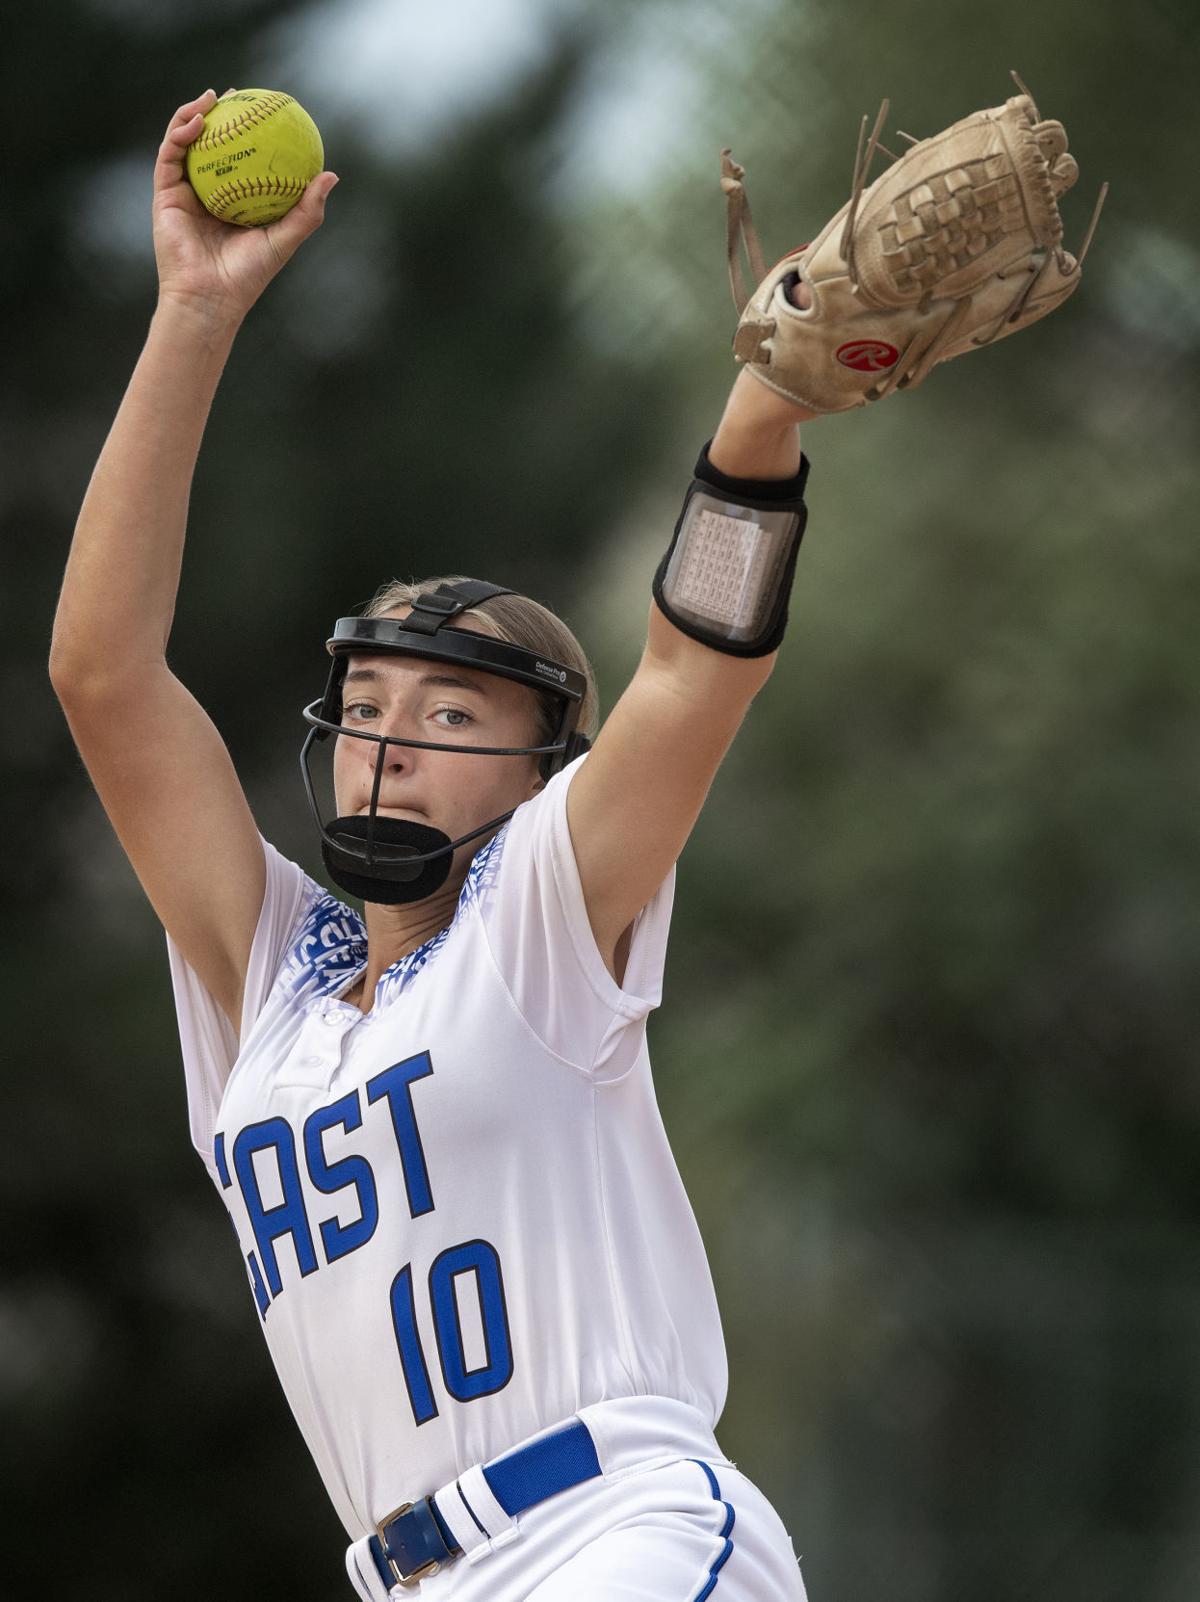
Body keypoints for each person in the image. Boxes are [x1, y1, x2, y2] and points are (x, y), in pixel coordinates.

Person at [52, 89, 818, 1601]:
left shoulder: (540, 912)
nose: (393, 734)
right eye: (368, 703)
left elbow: (696, 665)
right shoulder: (264, 978)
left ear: (537, 774)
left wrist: (763, 419)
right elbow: (103, 677)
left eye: (454, 711)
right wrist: (194, 314)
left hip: (621, 1527)